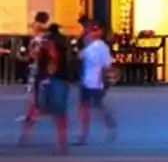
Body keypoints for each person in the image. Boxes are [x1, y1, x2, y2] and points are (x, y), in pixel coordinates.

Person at [20, 23, 73, 154]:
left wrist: (48, 74)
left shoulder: (48, 42)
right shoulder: (64, 42)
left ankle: (26, 136)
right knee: (60, 113)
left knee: (37, 108)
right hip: (63, 79)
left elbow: (51, 58)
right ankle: (62, 143)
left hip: (50, 80)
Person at [75, 22, 116, 145]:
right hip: (88, 80)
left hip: (95, 81)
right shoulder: (90, 47)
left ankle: (109, 124)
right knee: (86, 107)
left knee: (96, 105)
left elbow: (107, 65)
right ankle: (83, 134)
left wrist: (106, 81)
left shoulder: (100, 47)